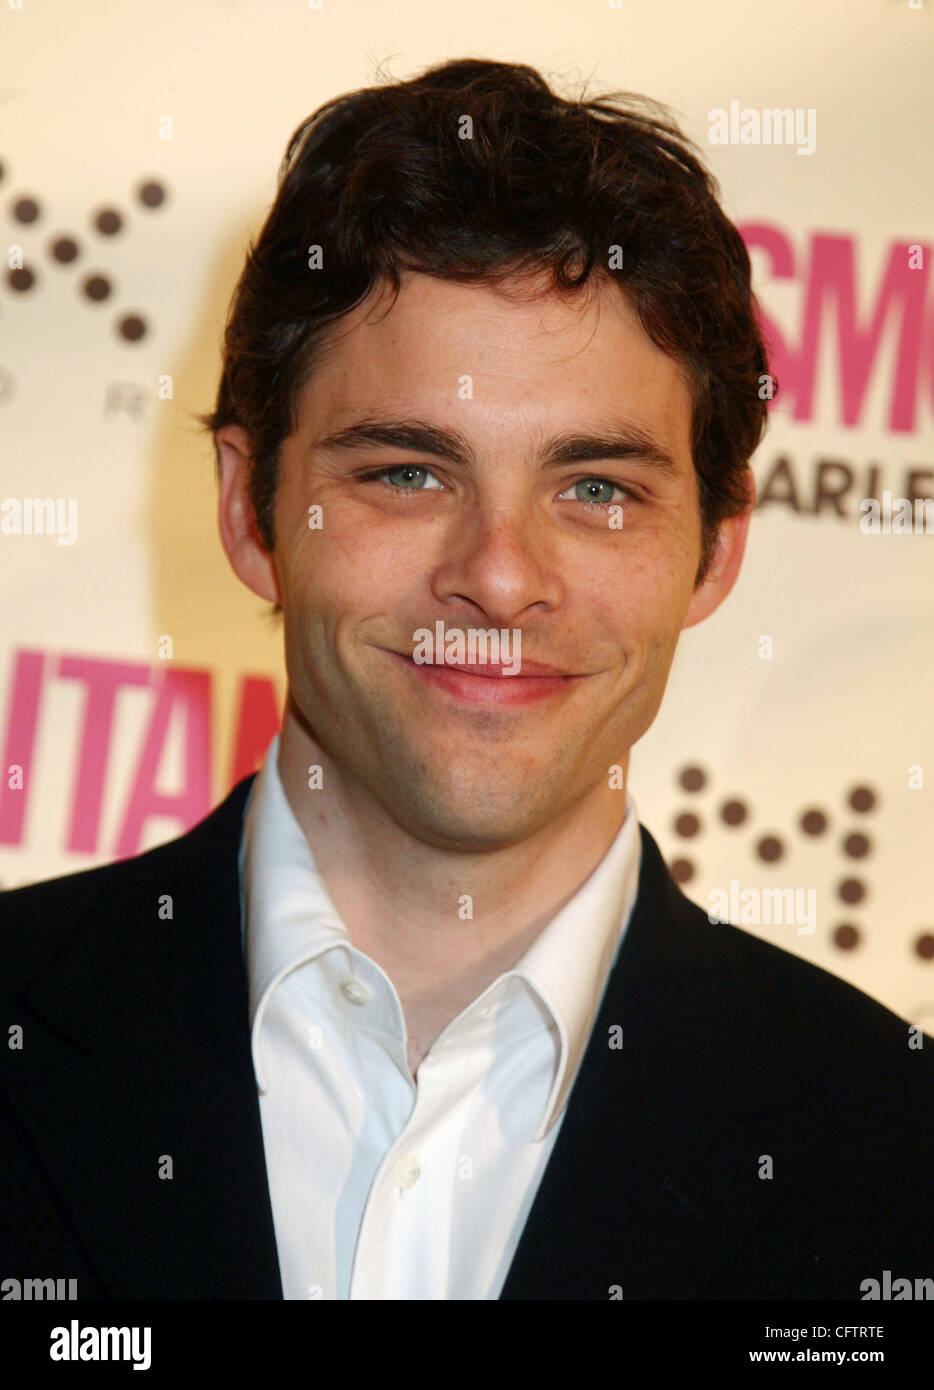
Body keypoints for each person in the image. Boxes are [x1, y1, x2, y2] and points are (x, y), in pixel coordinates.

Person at [2, 58, 932, 1302]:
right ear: (247, 508)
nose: (500, 579)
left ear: (715, 550)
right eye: (405, 472)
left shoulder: (898, 1153)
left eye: (596, 489)